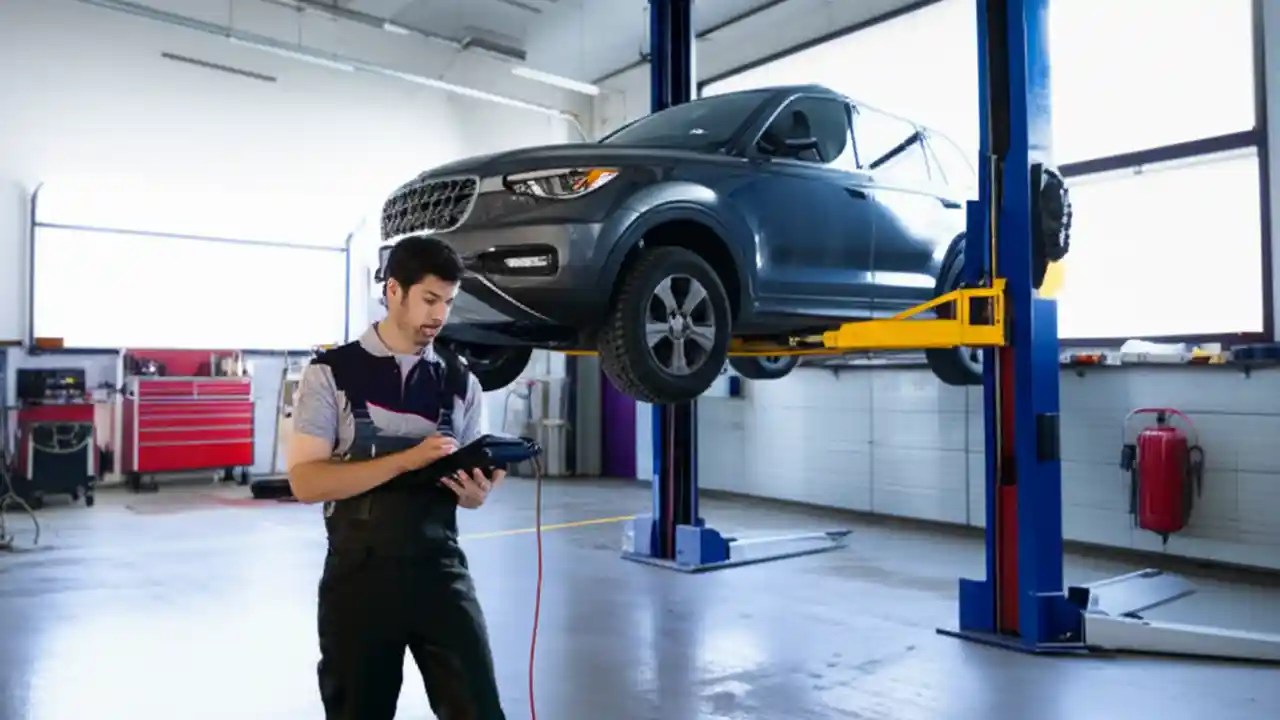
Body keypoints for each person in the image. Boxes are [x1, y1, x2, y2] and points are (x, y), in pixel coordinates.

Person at [287, 234, 508, 720]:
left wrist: (477, 493)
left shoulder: (460, 381)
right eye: (430, 299)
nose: (439, 314)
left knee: (479, 710)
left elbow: (478, 476)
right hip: (358, 575)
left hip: (440, 569)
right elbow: (306, 483)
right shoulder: (330, 374)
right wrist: (406, 460)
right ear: (393, 291)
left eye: (448, 303)